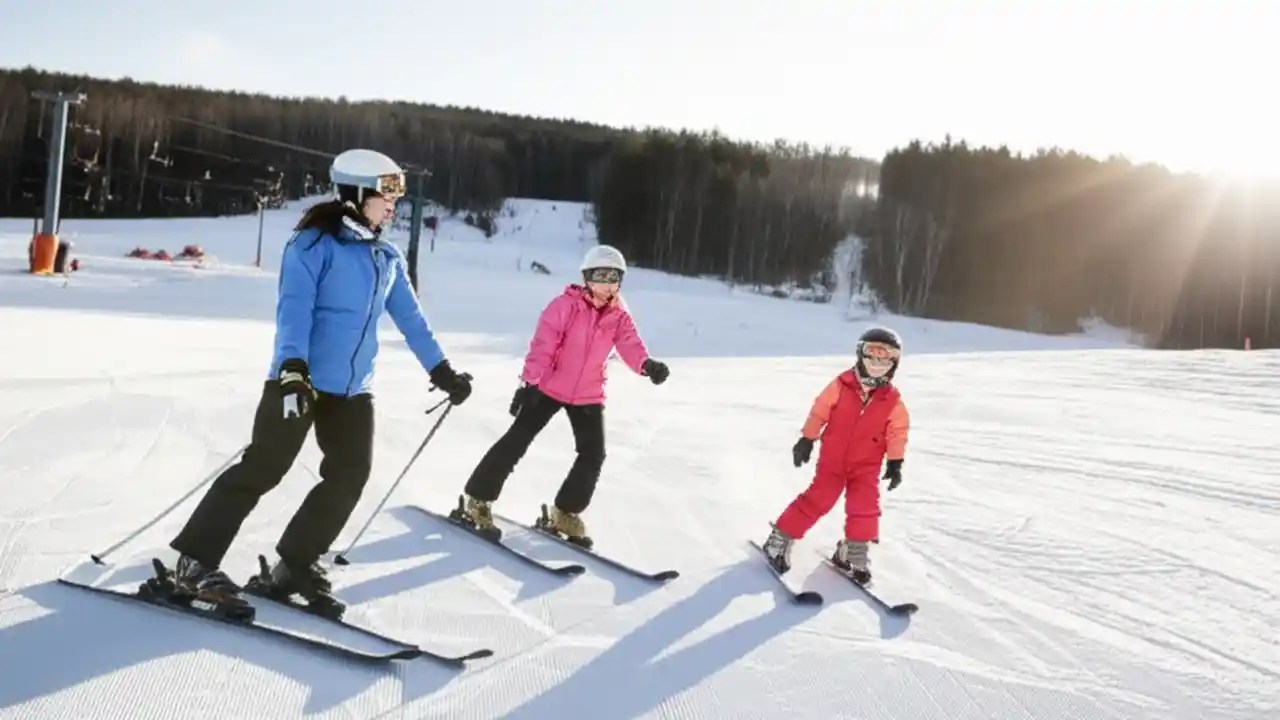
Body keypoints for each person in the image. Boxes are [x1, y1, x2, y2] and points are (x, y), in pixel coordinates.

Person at [166, 148, 473, 616]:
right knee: (264, 467)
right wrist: (292, 368)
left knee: (350, 474)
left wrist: (441, 370)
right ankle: (194, 563)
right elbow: (294, 309)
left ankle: (295, 563)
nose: (393, 207)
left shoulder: (385, 257)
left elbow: (412, 320)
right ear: (354, 195)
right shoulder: (312, 245)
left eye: (395, 197)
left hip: (352, 391)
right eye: (384, 196)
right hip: (299, 382)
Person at [452, 245, 669, 548]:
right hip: (549, 386)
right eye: (601, 276)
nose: (607, 284)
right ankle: (478, 499)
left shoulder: (619, 315)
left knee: (593, 454)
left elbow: (630, 345)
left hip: (588, 393)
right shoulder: (565, 306)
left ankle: (565, 512)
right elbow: (543, 346)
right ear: (587, 277)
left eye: (614, 277)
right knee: (517, 440)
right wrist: (529, 384)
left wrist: (647, 365)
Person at [761, 326, 909, 585]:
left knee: (865, 507)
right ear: (859, 355)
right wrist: (807, 438)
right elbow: (820, 411)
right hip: (833, 461)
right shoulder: (842, 385)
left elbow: (898, 431)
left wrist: (896, 462)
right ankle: (779, 539)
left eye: (885, 358)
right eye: (871, 355)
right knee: (818, 499)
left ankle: (852, 552)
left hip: (867, 466)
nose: (877, 363)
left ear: (894, 363)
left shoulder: (892, 400)